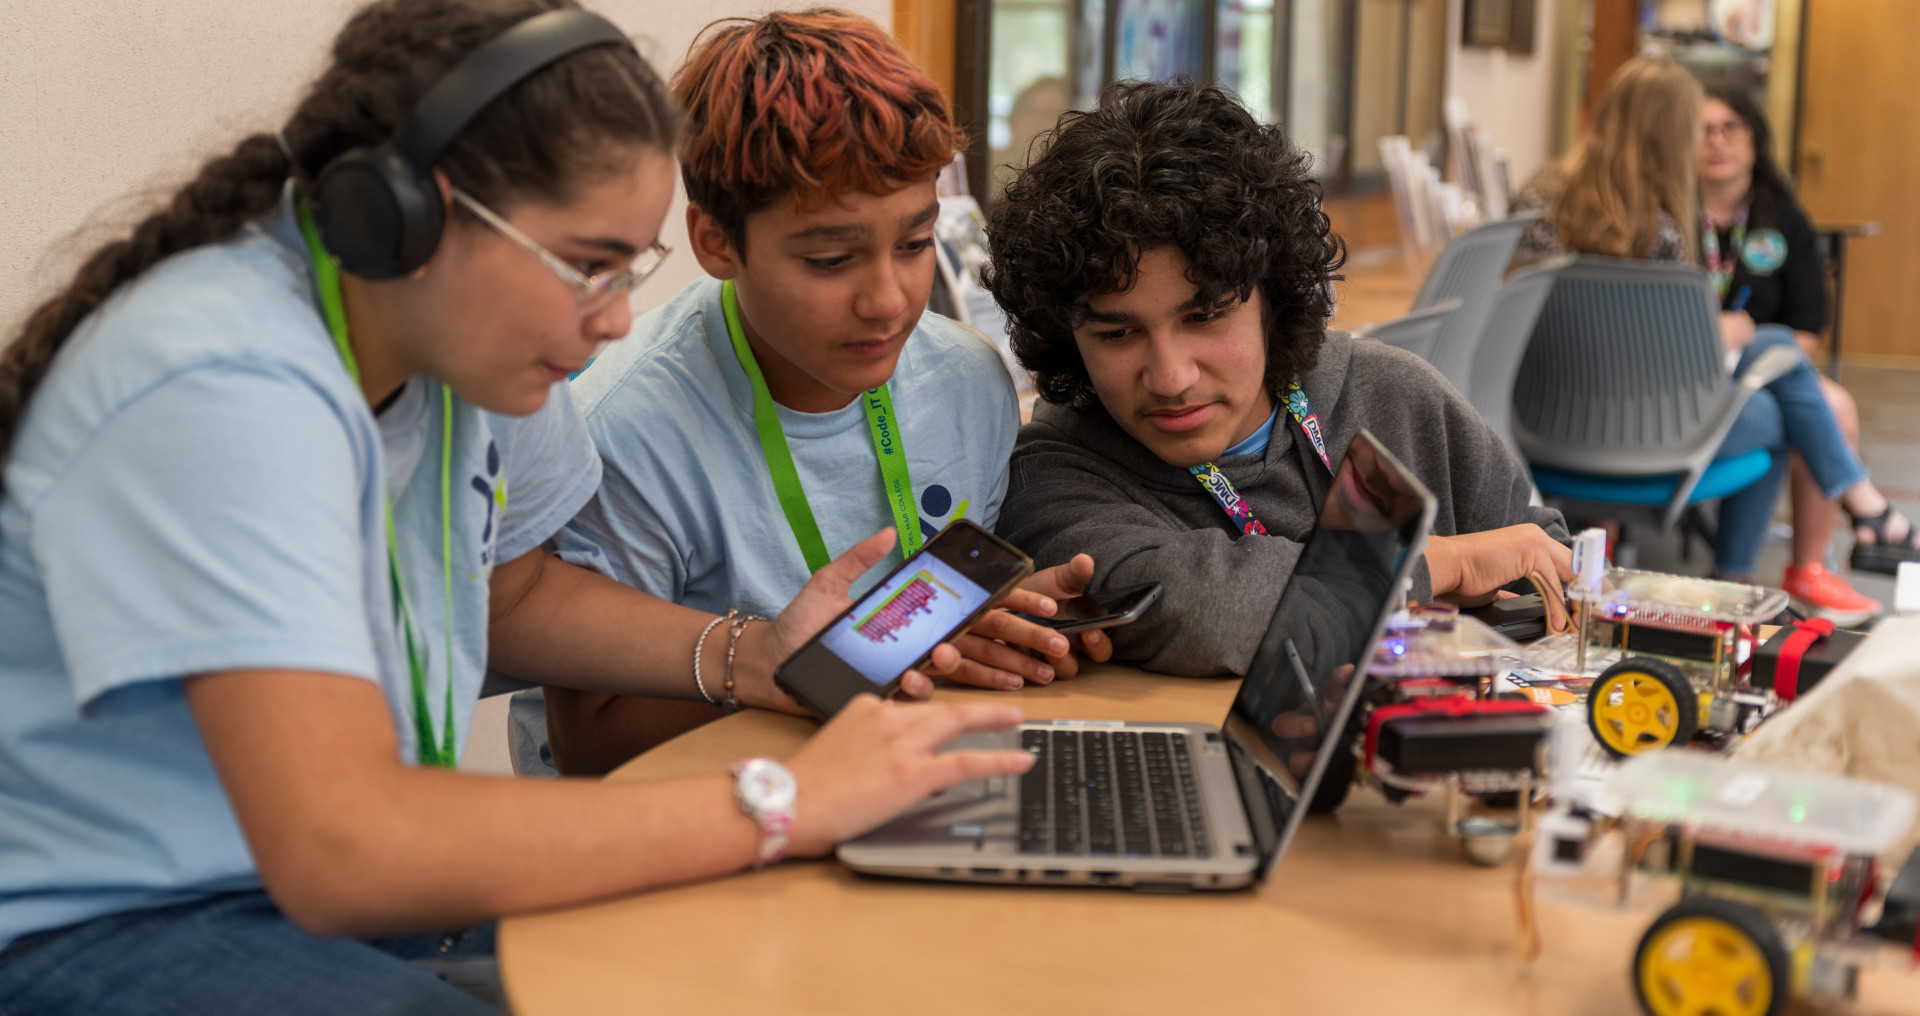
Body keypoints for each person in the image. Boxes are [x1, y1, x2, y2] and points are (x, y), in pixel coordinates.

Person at [0, 3, 1040, 1012]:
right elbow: (341, 847)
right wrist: (783, 800)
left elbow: (519, 589)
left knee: (772, 965)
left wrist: (754, 652)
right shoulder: (223, 384)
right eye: (586, 266)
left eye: (629, 267)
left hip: (338, 887)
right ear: (403, 217)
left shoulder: (469, 344)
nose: (620, 314)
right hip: (112, 914)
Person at [526, 8, 1108, 777]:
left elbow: (933, 626)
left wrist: (999, 621)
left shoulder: (969, 381)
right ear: (715, 243)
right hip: (680, 818)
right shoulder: (620, 428)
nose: (890, 301)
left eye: (912, 244)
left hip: (890, 772)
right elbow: (589, 738)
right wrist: (854, 655)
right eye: (832, 259)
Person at [984, 79, 1574, 680]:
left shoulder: (1395, 396)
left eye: (1205, 317)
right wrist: (1434, 565)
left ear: (1273, 298)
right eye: (1117, 334)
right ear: (1066, 336)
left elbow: (1539, 555)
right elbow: (1208, 613)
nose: (1169, 377)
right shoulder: (1053, 472)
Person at [1512, 57, 1892, 623]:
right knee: (1780, 399)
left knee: (1773, 353)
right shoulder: (1659, 227)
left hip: (1542, 425)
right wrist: (1729, 331)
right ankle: (1739, 581)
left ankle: (1859, 514)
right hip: (1646, 433)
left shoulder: (1536, 196)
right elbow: (1668, 363)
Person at [1696, 85, 1918, 576]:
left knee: (1830, 399)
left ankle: (1809, 568)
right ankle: (1866, 510)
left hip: (1760, 372)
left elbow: (1808, 327)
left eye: (1730, 127)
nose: (1717, 141)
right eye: (1703, 129)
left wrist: (1745, 355)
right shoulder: (1672, 214)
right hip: (1688, 370)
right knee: (1786, 382)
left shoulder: (1784, 218)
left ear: (1755, 140)